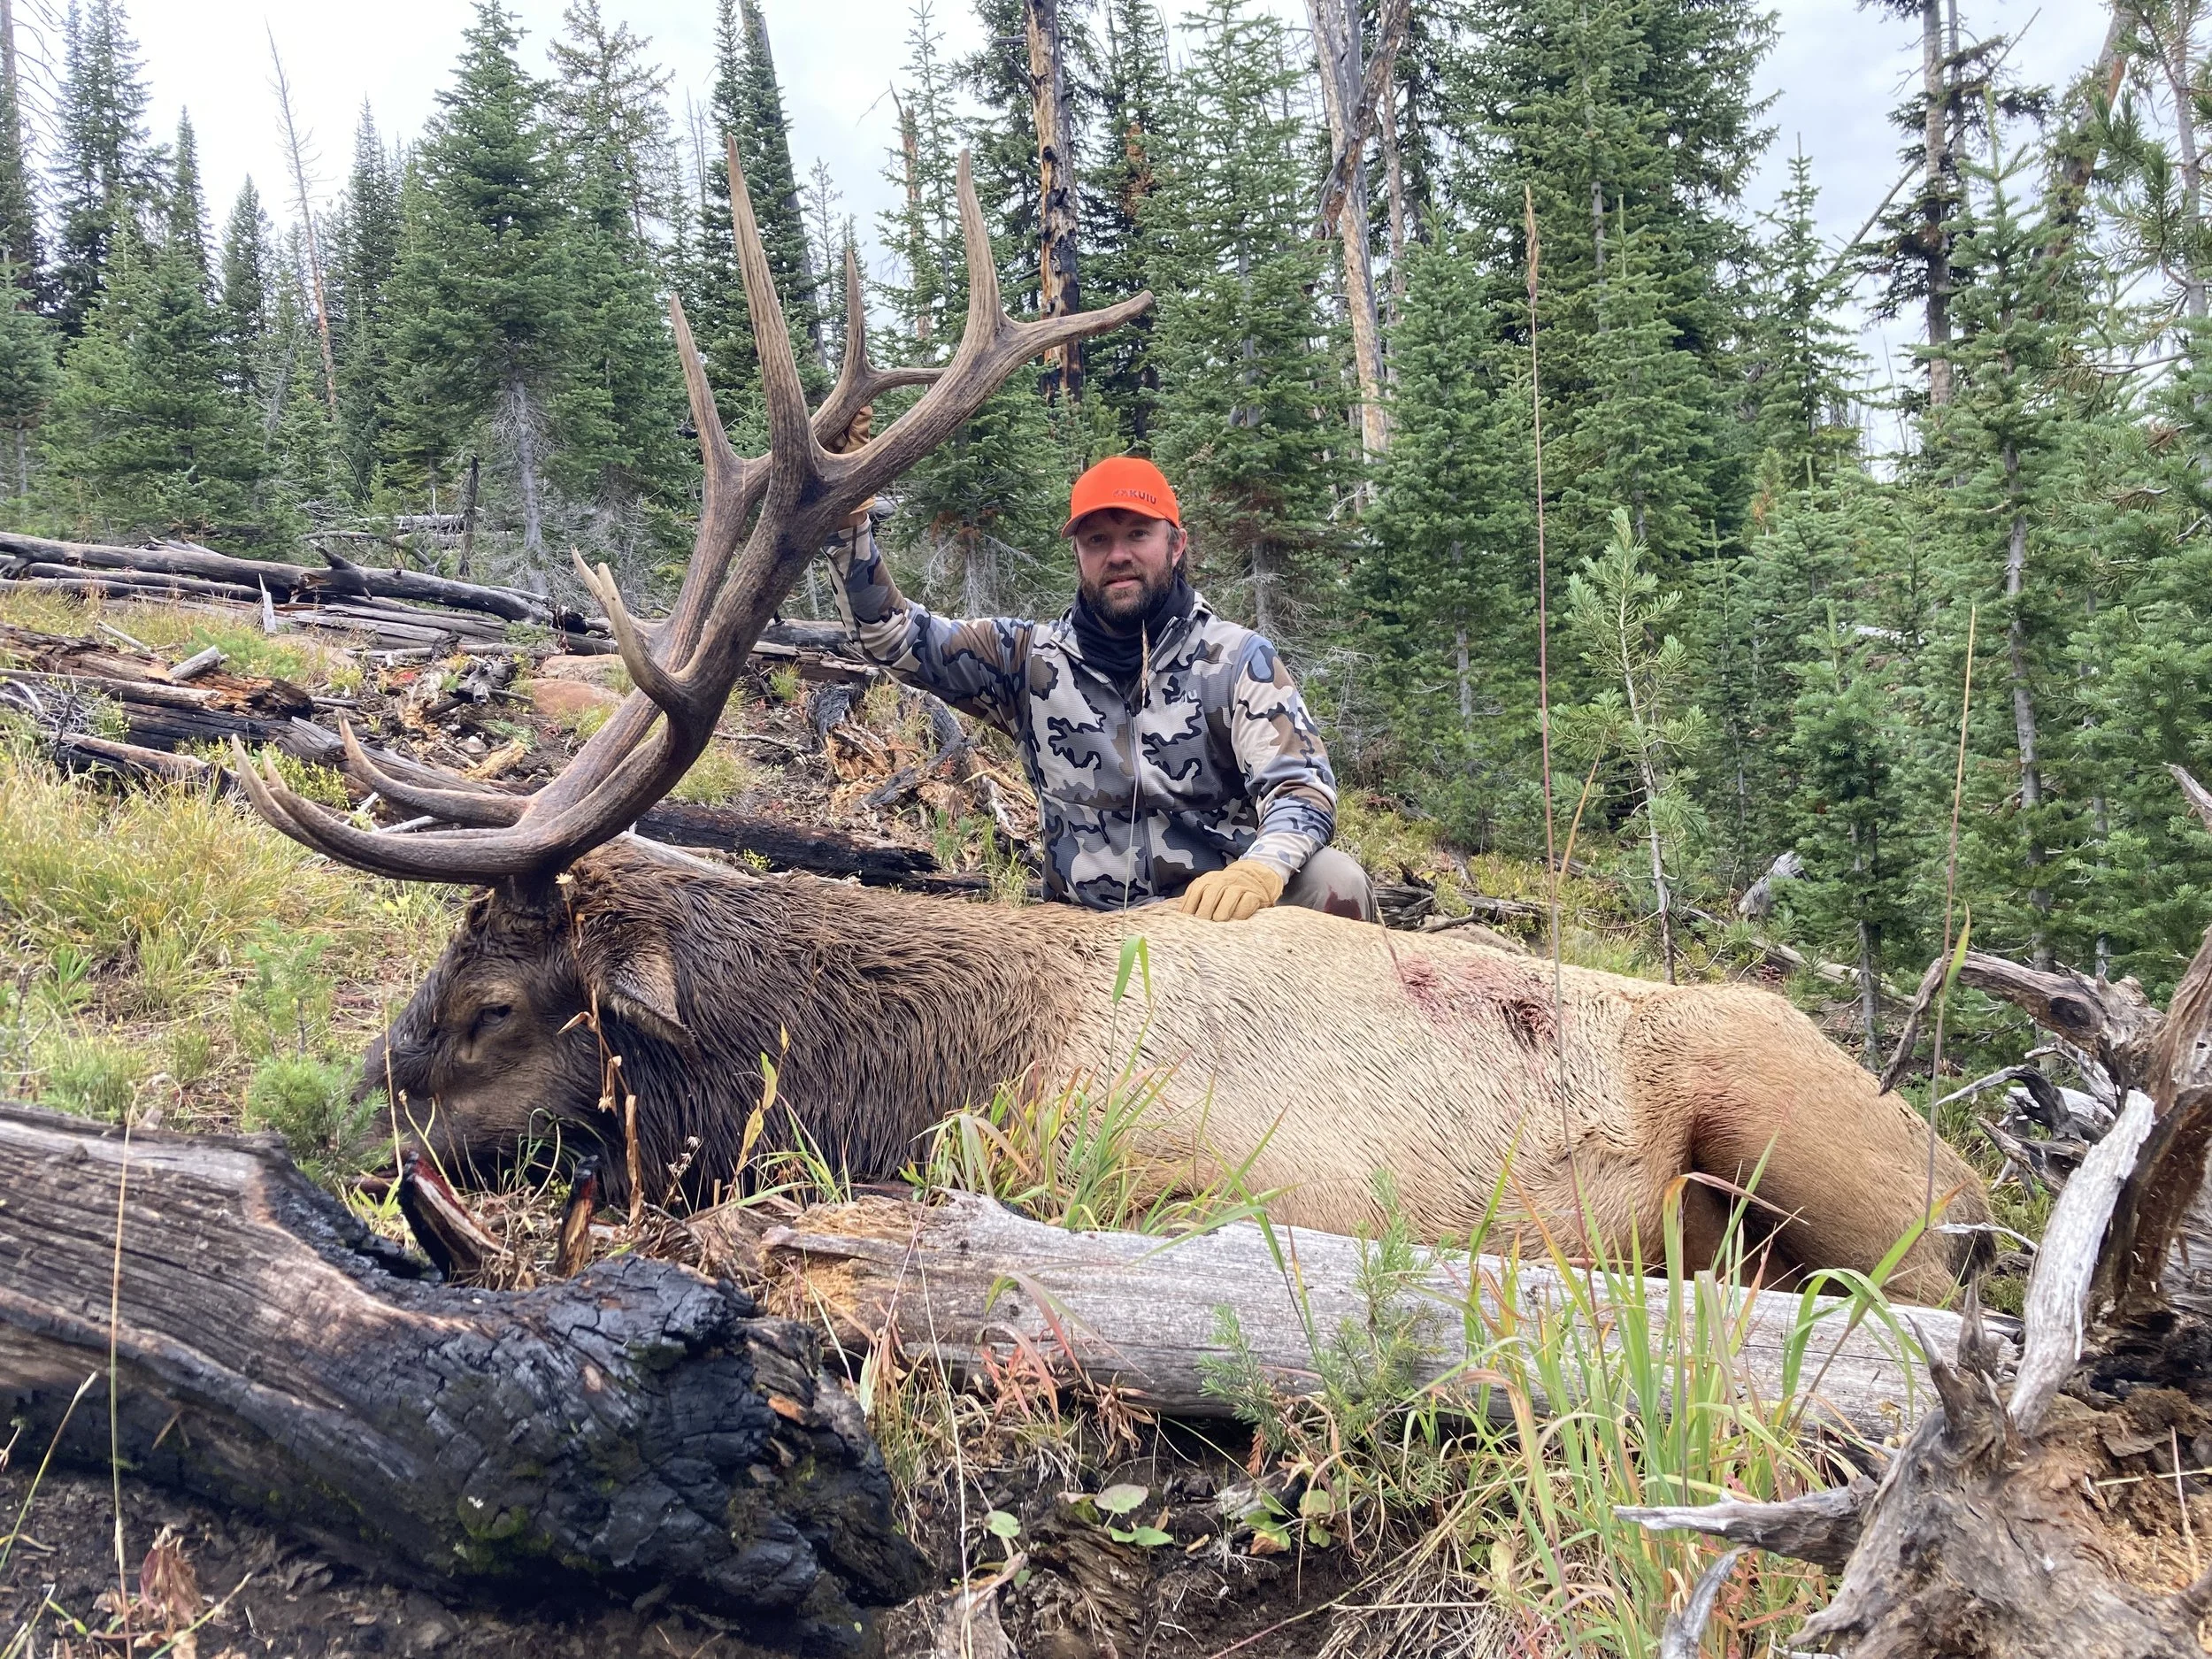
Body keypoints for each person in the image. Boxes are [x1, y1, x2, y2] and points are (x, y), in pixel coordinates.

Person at [826, 446, 1374, 923]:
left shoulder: (1235, 659)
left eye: (1138, 534)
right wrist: (849, 521)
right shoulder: (1026, 660)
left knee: (1335, 880)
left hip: (1219, 923)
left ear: (1176, 544)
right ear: (1078, 554)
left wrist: (1259, 870)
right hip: (1088, 940)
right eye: (1097, 539)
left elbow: (1301, 787)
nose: (1118, 555)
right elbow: (890, 635)